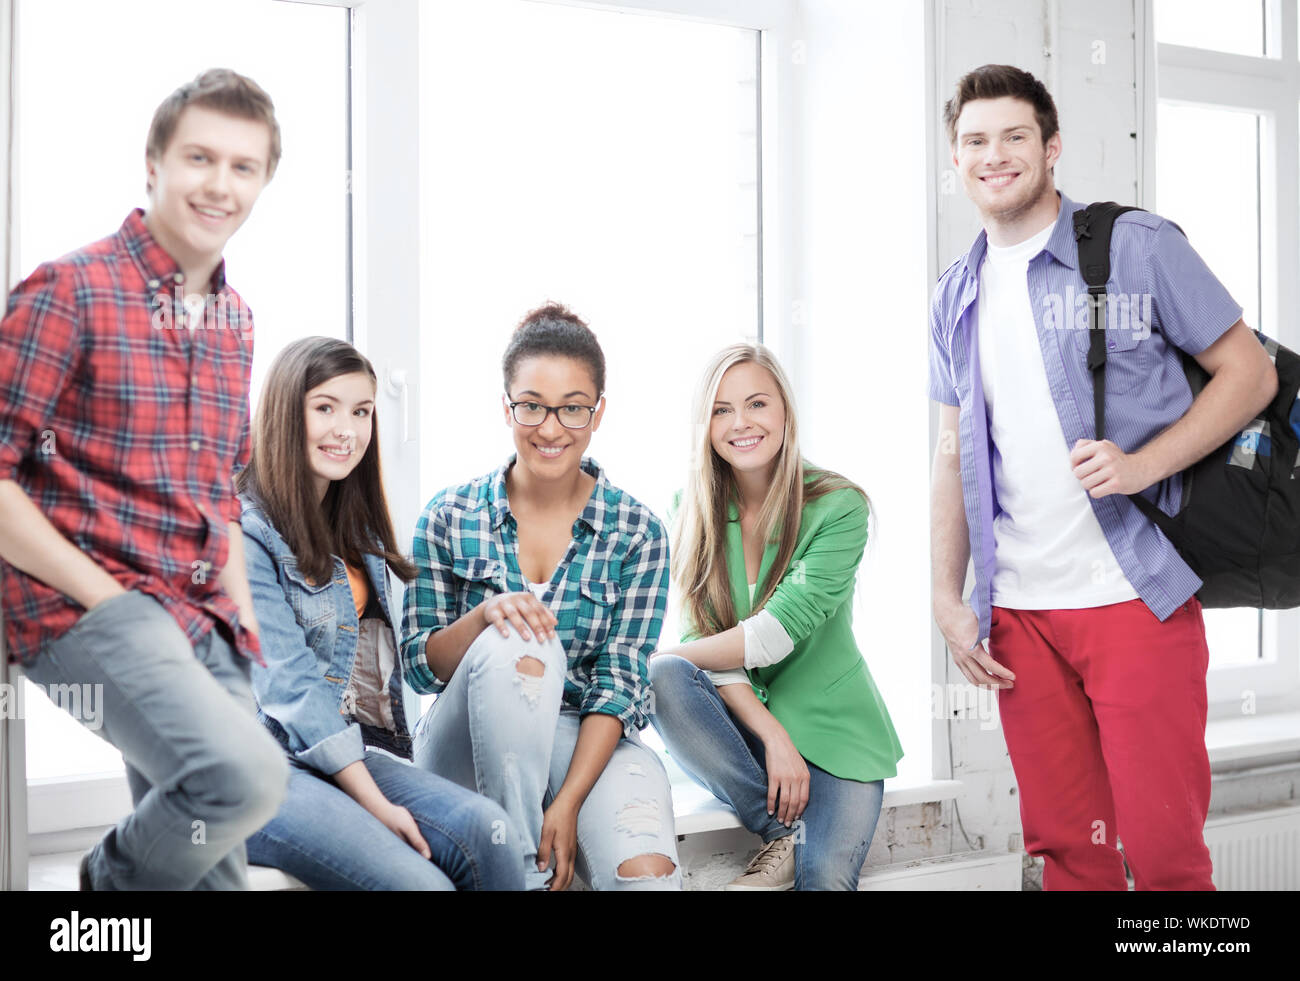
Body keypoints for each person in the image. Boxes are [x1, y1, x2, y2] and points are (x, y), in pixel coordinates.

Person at [928, 64, 1278, 890]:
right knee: (1067, 855)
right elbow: (950, 451)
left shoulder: (1135, 247)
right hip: (1018, 614)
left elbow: (1250, 374)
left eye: (1015, 136)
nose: (994, 155)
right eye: (974, 140)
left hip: (1134, 596)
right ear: (956, 160)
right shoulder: (954, 295)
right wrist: (949, 593)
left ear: (1051, 148)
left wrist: (1143, 464)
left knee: (1163, 858)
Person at [0, 69, 290, 889]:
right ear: (154, 163)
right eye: (200, 157)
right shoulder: (72, 290)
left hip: (202, 614)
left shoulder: (234, 321)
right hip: (89, 607)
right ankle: (103, 894)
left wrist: (241, 617)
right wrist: (111, 598)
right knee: (246, 778)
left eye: (244, 166)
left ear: (263, 182)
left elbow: (219, 491)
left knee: (216, 865)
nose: (219, 183)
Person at [401, 302, 680, 891]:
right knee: (517, 645)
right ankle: (518, 874)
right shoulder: (450, 515)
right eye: (532, 405)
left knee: (647, 876)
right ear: (506, 406)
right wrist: (483, 619)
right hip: (466, 742)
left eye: (572, 409)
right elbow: (418, 669)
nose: (551, 429)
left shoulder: (638, 532)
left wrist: (570, 802)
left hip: (583, 736)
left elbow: (619, 682)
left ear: (598, 412)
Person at [236, 337, 523, 890]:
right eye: (325, 407)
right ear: (283, 413)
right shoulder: (244, 533)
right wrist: (374, 803)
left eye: (362, 411)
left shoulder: (353, 526)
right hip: (253, 769)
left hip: (338, 755)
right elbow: (291, 688)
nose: (348, 429)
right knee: (423, 884)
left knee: (489, 831)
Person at [648, 343, 902, 891]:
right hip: (745, 736)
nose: (741, 423)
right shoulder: (689, 510)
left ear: (785, 410)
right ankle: (778, 832)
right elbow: (708, 641)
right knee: (663, 679)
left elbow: (768, 637)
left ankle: (794, 842)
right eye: (721, 410)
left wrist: (662, 650)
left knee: (826, 879)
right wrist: (771, 736)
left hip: (836, 735)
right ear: (705, 425)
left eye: (757, 404)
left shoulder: (839, 506)